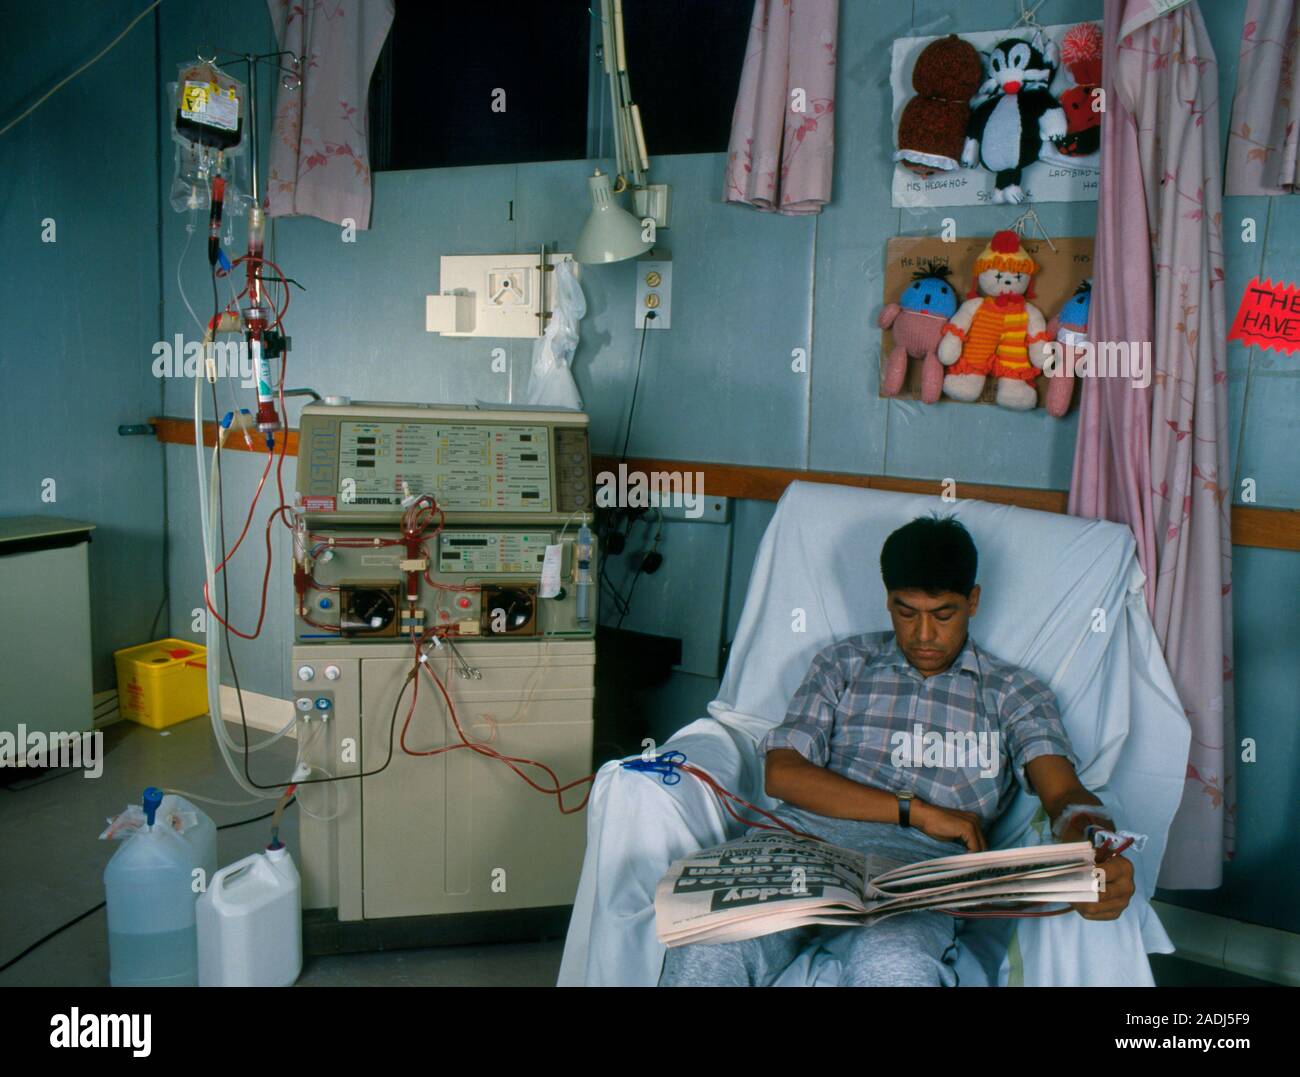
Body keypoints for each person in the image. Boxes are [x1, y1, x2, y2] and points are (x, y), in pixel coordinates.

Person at [659, 515, 1134, 987]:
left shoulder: (1014, 691)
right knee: (708, 945)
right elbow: (782, 774)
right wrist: (916, 811)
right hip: (797, 846)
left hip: (916, 875)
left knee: (896, 968)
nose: (924, 635)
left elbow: (1064, 795)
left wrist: (1095, 847)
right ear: (887, 601)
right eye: (906, 612)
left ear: (973, 601)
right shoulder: (844, 663)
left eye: (943, 614)